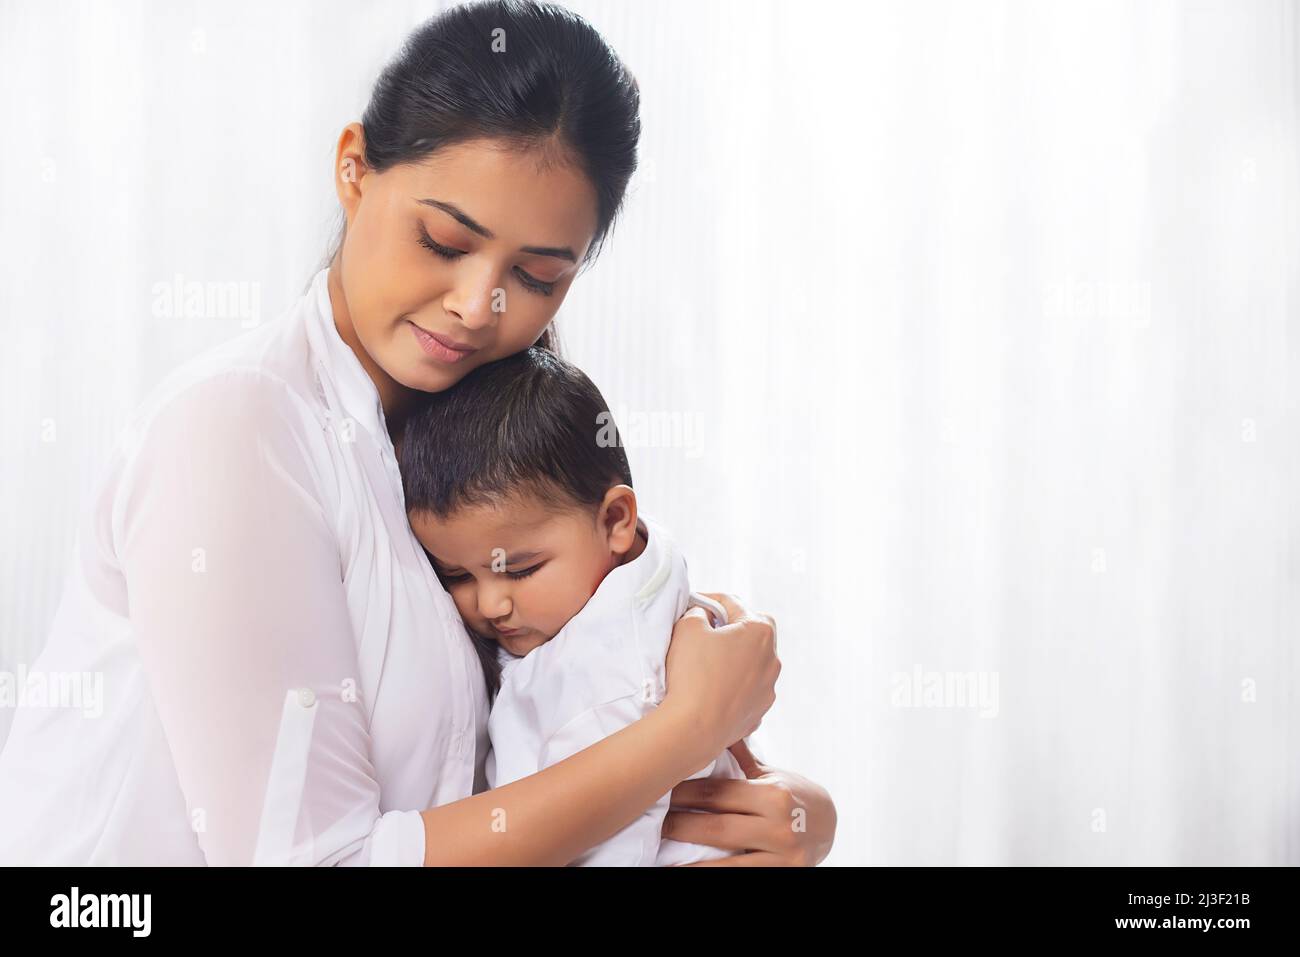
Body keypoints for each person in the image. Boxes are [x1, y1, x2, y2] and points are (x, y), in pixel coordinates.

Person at [0, 0, 835, 866]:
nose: (480, 305)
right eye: (443, 240)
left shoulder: (491, 453)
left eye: (537, 275)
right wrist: (688, 725)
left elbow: (569, 734)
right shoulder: (237, 430)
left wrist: (777, 806)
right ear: (354, 171)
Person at [401, 346, 752, 866]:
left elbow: (615, 843)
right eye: (455, 575)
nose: (492, 604)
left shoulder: (612, 686)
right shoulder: (635, 581)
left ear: (616, 521)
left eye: (519, 570)